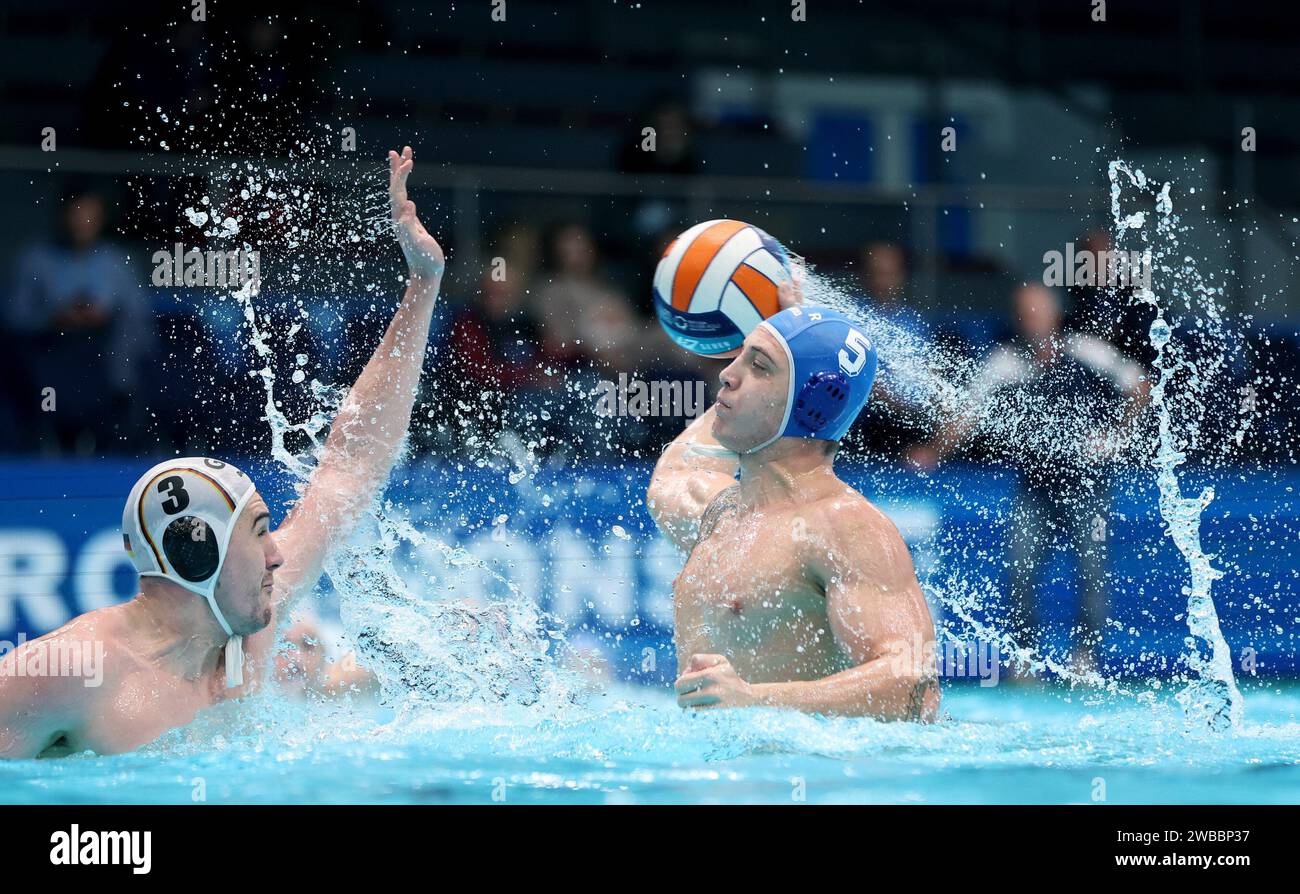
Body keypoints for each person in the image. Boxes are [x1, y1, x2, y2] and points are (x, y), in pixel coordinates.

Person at [0, 147, 444, 757]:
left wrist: (423, 286)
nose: (275, 554)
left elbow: (349, 467)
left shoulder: (247, 631)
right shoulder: (69, 672)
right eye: (258, 532)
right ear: (195, 550)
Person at [646, 286, 940, 721]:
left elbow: (915, 685)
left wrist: (754, 698)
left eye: (758, 365)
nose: (728, 374)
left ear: (812, 400)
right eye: (740, 355)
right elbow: (671, 480)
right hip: (720, 784)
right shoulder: (724, 513)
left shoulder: (844, 526)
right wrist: (785, 330)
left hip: (805, 780)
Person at [911, 283, 1148, 677]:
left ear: (1055, 314)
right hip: (1035, 487)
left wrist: (1115, 435)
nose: (1032, 318)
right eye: (1025, 312)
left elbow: (1139, 384)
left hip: (1088, 487)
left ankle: (1084, 659)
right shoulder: (1007, 362)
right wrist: (934, 451)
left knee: (1091, 571)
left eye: (1039, 310)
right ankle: (1024, 657)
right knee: (1020, 572)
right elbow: (968, 413)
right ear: (1017, 319)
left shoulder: (1086, 350)